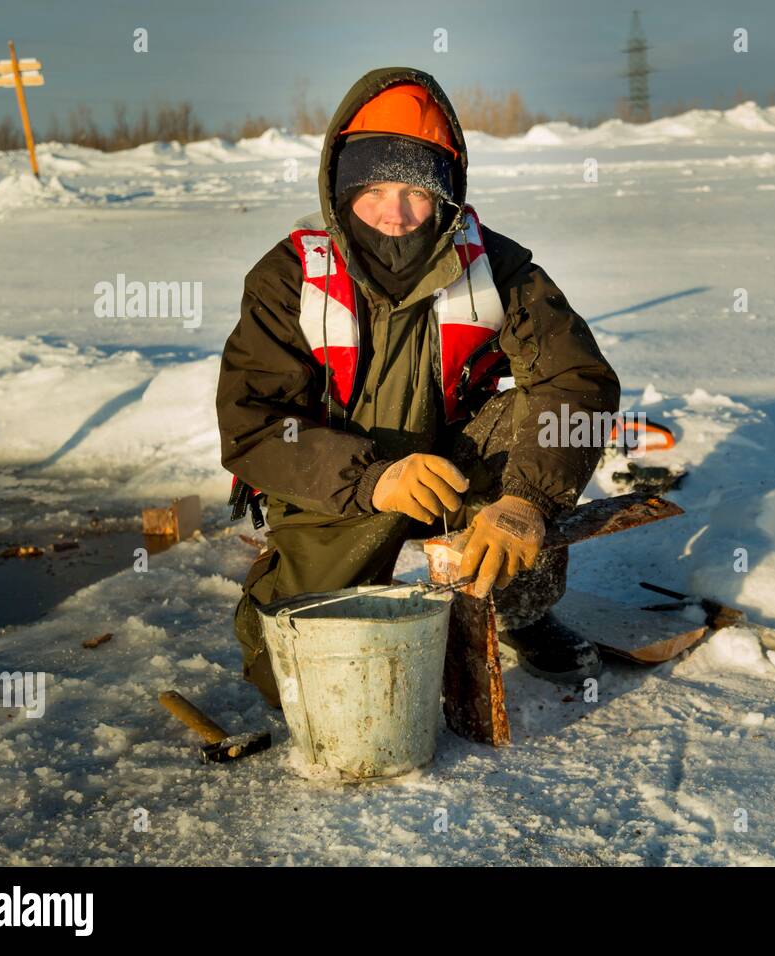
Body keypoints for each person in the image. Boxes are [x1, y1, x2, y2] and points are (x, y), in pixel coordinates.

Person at [216, 67, 620, 706]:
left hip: (456, 465)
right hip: (340, 480)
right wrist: (374, 479)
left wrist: (528, 501)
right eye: (373, 187)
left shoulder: (498, 266)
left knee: (532, 423)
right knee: (296, 681)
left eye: (417, 190)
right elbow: (255, 421)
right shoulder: (287, 276)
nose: (394, 214)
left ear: (449, 193)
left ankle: (522, 610)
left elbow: (575, 381)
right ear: (339, 186)